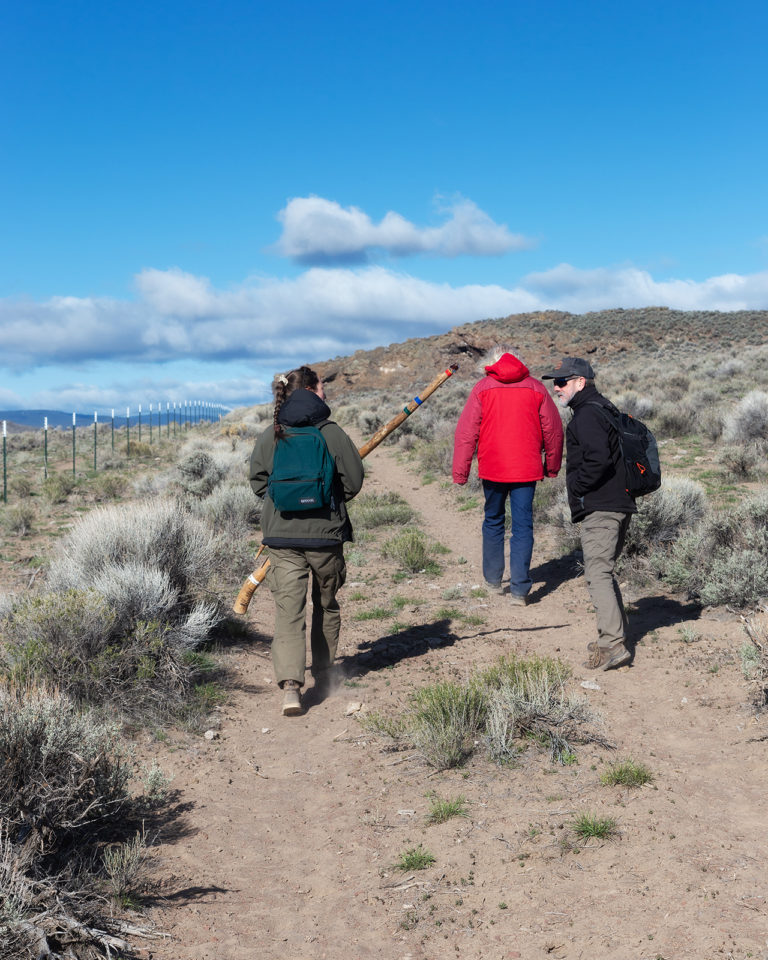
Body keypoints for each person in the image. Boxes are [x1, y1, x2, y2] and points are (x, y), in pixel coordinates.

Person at [249, 366, 364, 716]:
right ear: (313, 391)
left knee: (289, 611)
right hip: (326, 537)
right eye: (323, 387)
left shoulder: (272, 432)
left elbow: (258, 481)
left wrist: (285, 501)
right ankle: (325, 675)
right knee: (325, 605)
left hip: (282, 538)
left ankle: (291, 688)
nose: (325, 392)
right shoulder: (331, 432)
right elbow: (354, 480)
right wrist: (328, 500)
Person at [541, 357, 635, 671]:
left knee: (597, 574)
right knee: (603, 571)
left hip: (602, 507)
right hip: (618, 503)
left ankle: (612, 645)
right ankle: (614, 636)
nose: (556, 388)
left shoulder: (587, 415)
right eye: (555, 382)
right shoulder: (603, 407)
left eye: (562, 382)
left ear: (581, 382)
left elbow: (598, 459)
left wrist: (578, 488)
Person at [452, 350, 563, 604]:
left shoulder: (483, 388)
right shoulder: (535, 388)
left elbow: (466, 431)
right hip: (526, 469)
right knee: (523, 525)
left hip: (493, 467)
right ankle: (519, 590)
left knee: (493, 520)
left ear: (494, 363)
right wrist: (552, 466)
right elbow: (554, 430)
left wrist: (460, 473)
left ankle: (493, 580)